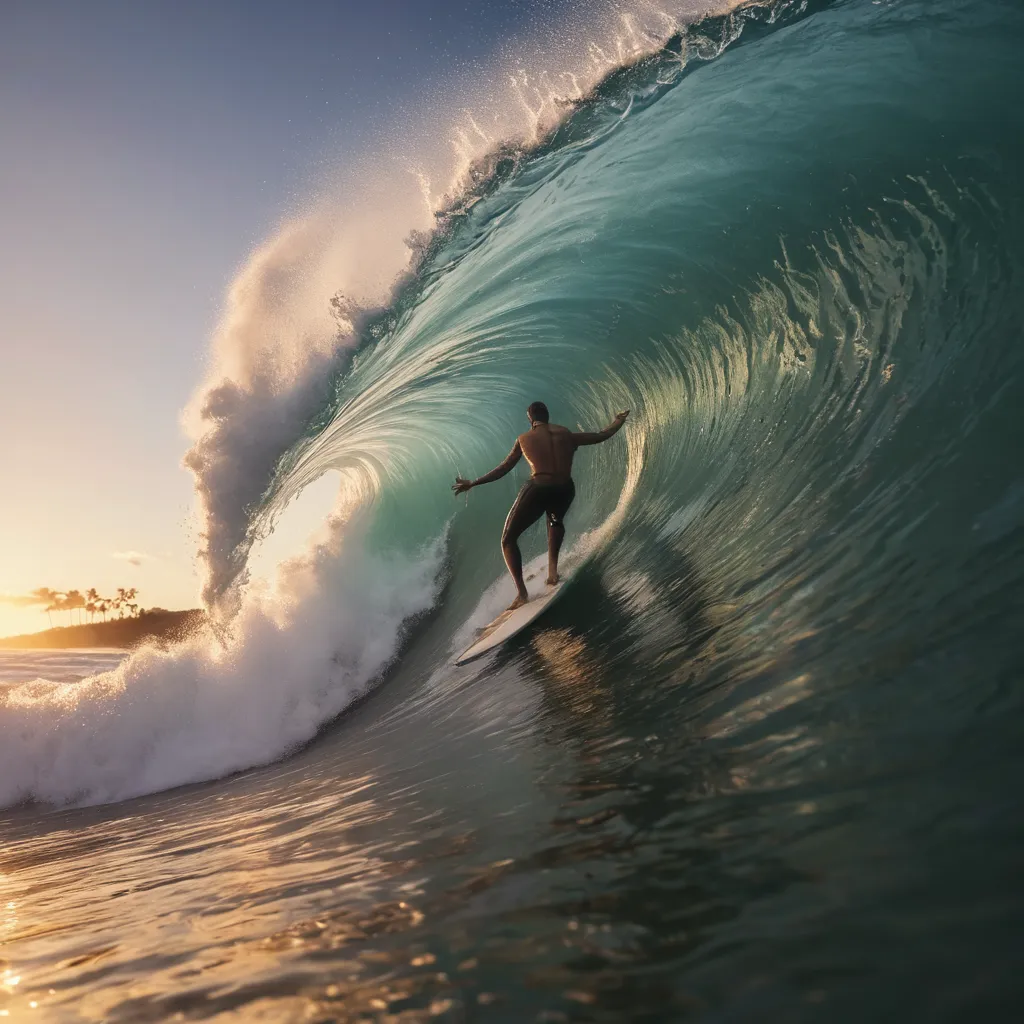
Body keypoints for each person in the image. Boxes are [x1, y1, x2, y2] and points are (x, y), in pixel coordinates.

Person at [453, 402, 630, 610]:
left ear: (530, 419)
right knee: (555, 519)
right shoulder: (566, 434)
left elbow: (503, 469)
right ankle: (553, 573)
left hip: (539, 488)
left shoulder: (524, 439)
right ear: (548, 416)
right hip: (565, 488)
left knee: (508, 539)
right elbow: (601, 435)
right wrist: (618, 420)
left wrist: (473, 483)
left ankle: (522, 594)